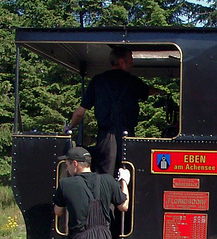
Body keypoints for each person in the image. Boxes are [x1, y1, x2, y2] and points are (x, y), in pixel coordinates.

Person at [68, 46, 159, 176]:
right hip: (128, 138)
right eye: (130, 60)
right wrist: (161, 92)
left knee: (104, 176)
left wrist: (70, 127)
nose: (132, 64)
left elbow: (80, 112)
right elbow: (148, 91)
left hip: (105, 138)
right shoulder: (133, 82)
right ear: (122, 62)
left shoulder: (97, 81)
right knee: (128, 172)